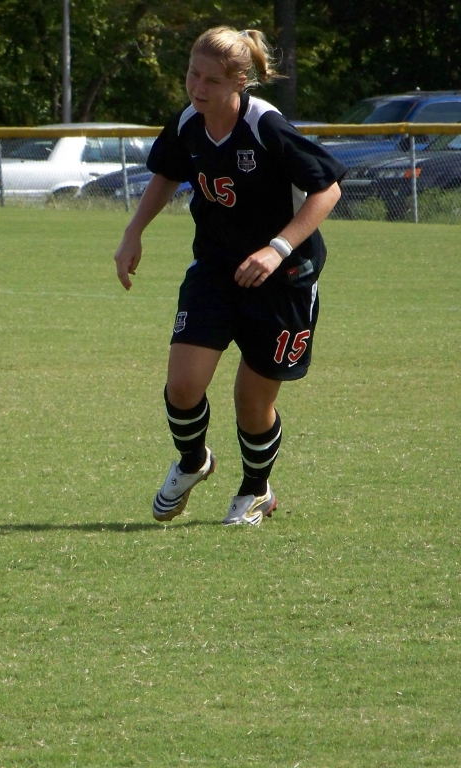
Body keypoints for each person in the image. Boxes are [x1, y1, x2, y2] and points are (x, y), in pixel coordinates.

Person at [113, 27, 345, 526]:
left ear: (240, 81)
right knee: (183, 386)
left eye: (212, 80)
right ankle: (194, 462)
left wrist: (276, 249)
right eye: (193, 74)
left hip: (284, 279)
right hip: (216, 268)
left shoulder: (266, 126)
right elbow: (167, 173)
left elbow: (328, 190)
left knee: (251, 401)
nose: (198, 87)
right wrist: (133, 233)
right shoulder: (188, 122)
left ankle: (256, 490)